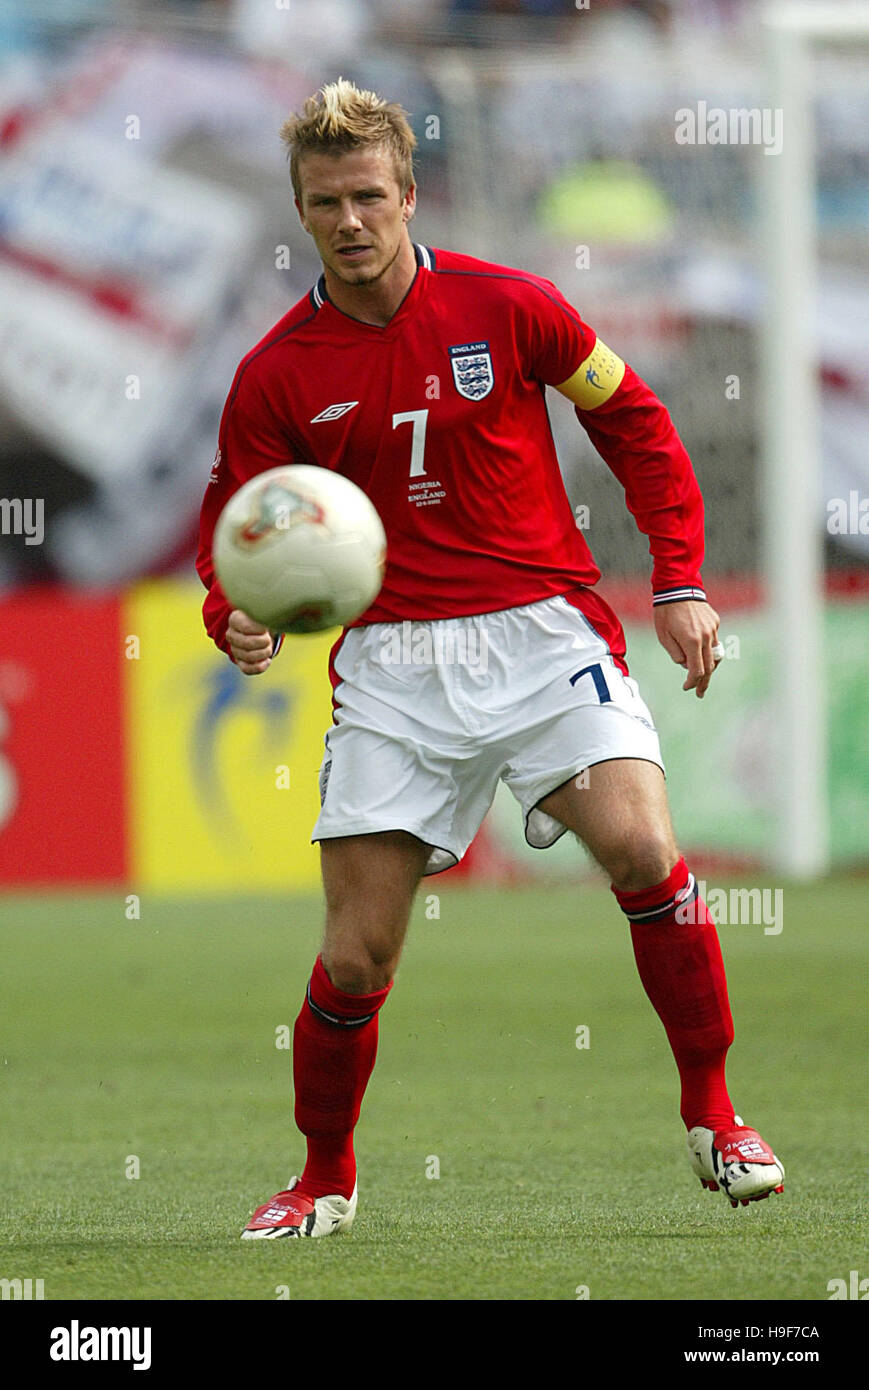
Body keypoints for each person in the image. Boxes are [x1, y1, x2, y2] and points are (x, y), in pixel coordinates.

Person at [196, 78, 784, 1240]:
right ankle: (324, 1179)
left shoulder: (512, 307)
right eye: (326, 202)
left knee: (641, 844)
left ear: (409, 196)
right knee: (356, 960)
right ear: (302, 214)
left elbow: (636, 420)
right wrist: (235, 615)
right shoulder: (274, 374)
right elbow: (239, 529)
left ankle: (716, 1118)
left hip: (539, 630)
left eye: (369, 195)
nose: (350, 219)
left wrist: (675, 577)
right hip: (391, 669)